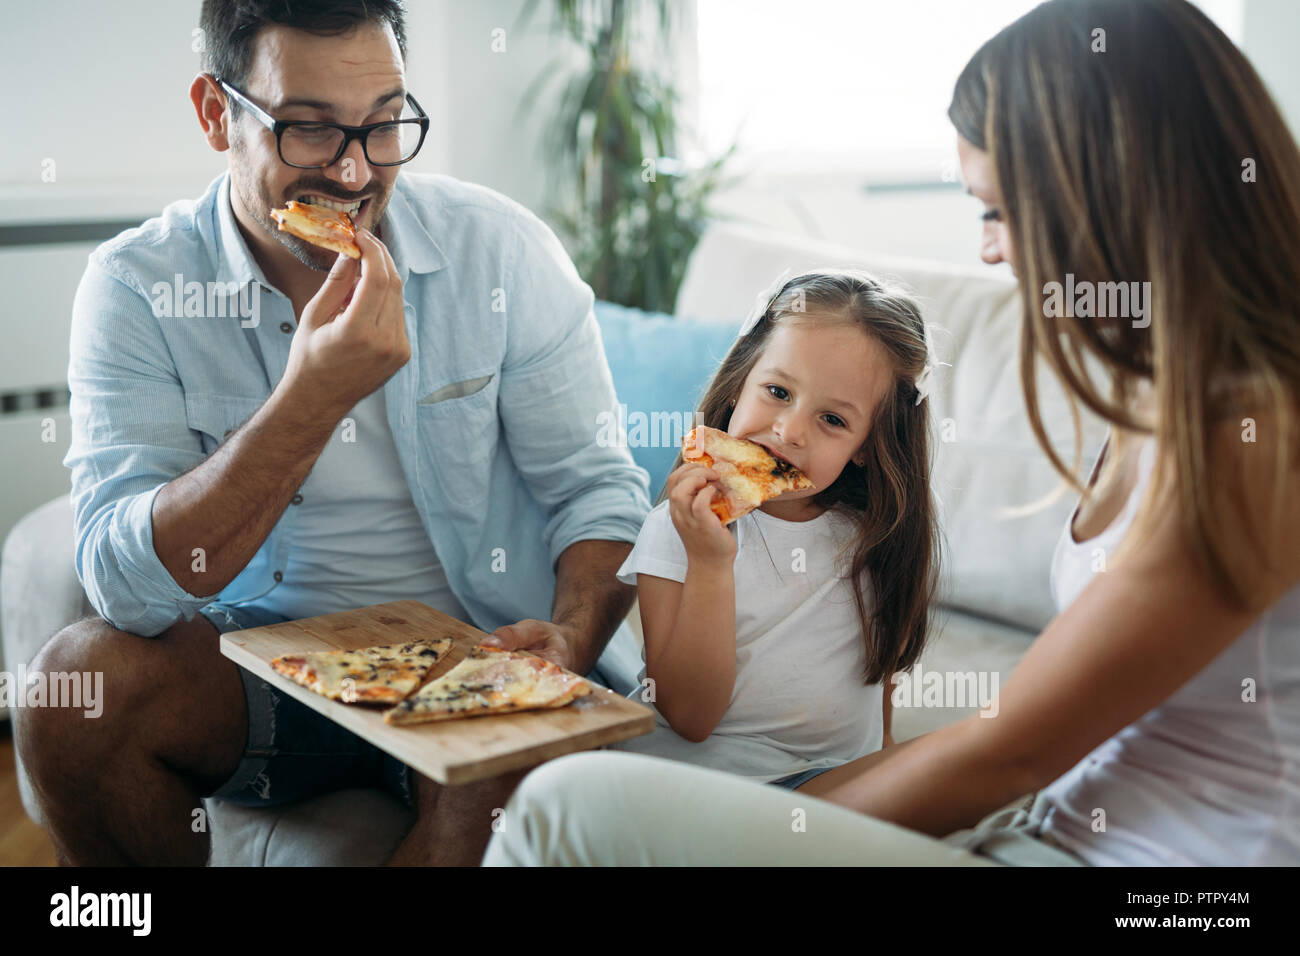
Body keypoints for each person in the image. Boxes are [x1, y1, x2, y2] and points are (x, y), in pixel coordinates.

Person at [482, 0, 1300, 866]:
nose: (991, 252)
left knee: (567, 808)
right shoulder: (1158, 400)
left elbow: (1011, 750)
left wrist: (778, 828)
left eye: (997, 211)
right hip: (1050, 833)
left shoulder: (1254, 435)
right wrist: (770, 814)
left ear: (1107, 193)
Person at [17, 0, 650, 867]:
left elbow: (598, 494)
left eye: (384, 125)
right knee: (70, 693)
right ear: (216, 114)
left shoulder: (499, 253)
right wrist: (309, 401)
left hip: (477, 670)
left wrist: (572, 640)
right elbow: (127, 590)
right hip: (264, 678)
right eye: (310, 131)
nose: (356, 173)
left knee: (494, 799)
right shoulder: (138, 287)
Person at [605, 271, 940, 792]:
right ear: (740, 384)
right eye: (778, 391)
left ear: (868, 446)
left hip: (826, 784)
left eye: (832, 419)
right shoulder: (680, 527)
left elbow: (879, 720)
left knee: (945, 768)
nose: (789, 430)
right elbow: (691, 718)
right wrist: (711, 564)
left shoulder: (877, 537)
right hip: (701, 781)